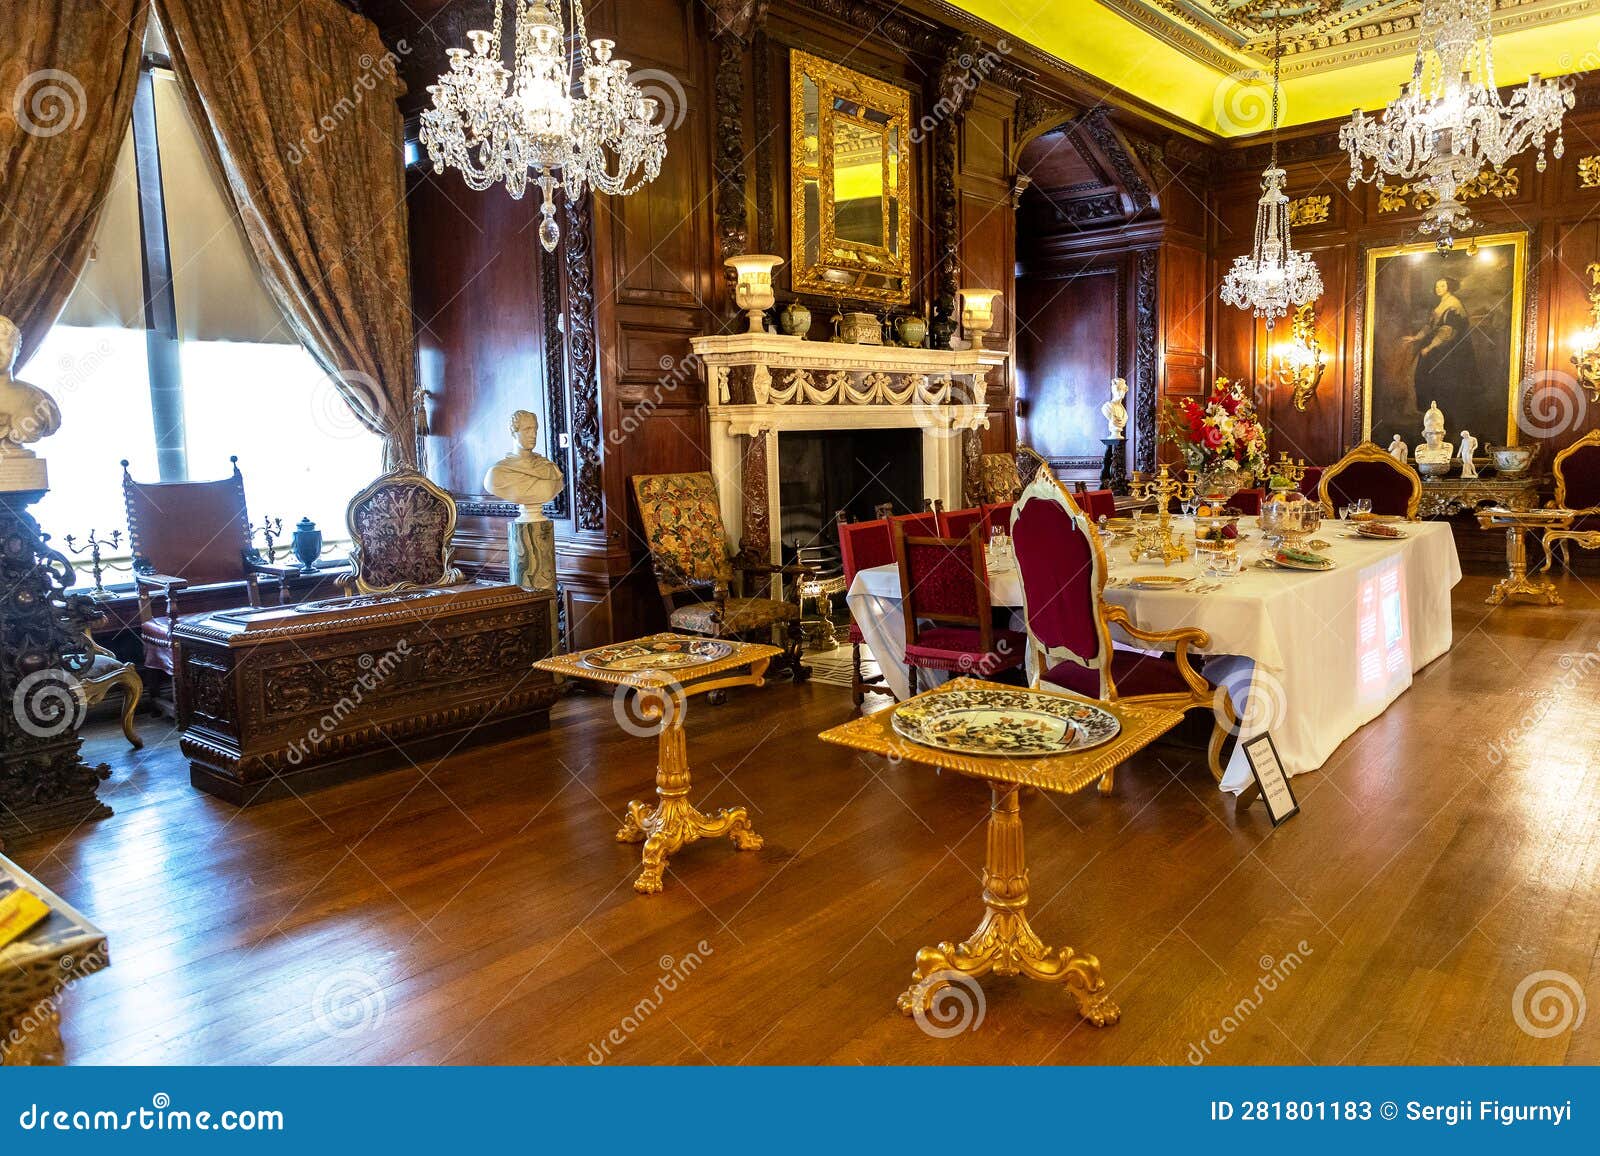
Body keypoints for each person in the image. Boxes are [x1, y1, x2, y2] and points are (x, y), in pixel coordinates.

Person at [1402, 276, 1480, 410]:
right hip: (1438, 344)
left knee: (1442, 378)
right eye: (1437, 286)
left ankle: (1445, 411)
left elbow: (1447, 330)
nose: (1439, 288)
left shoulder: (1454, 304)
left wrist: (1429, 347)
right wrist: (1416, 338)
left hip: (1450, 348)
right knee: (1424, 374)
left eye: (1443, 286)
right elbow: (1430, 326)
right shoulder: (1441, 303)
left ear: (1449, 286)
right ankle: (1428, 410)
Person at [482, 410, 564, 521]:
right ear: (513, 432)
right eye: (527, 430)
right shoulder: (497, 474)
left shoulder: (549, 468)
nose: (533, 435)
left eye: (535, 429)